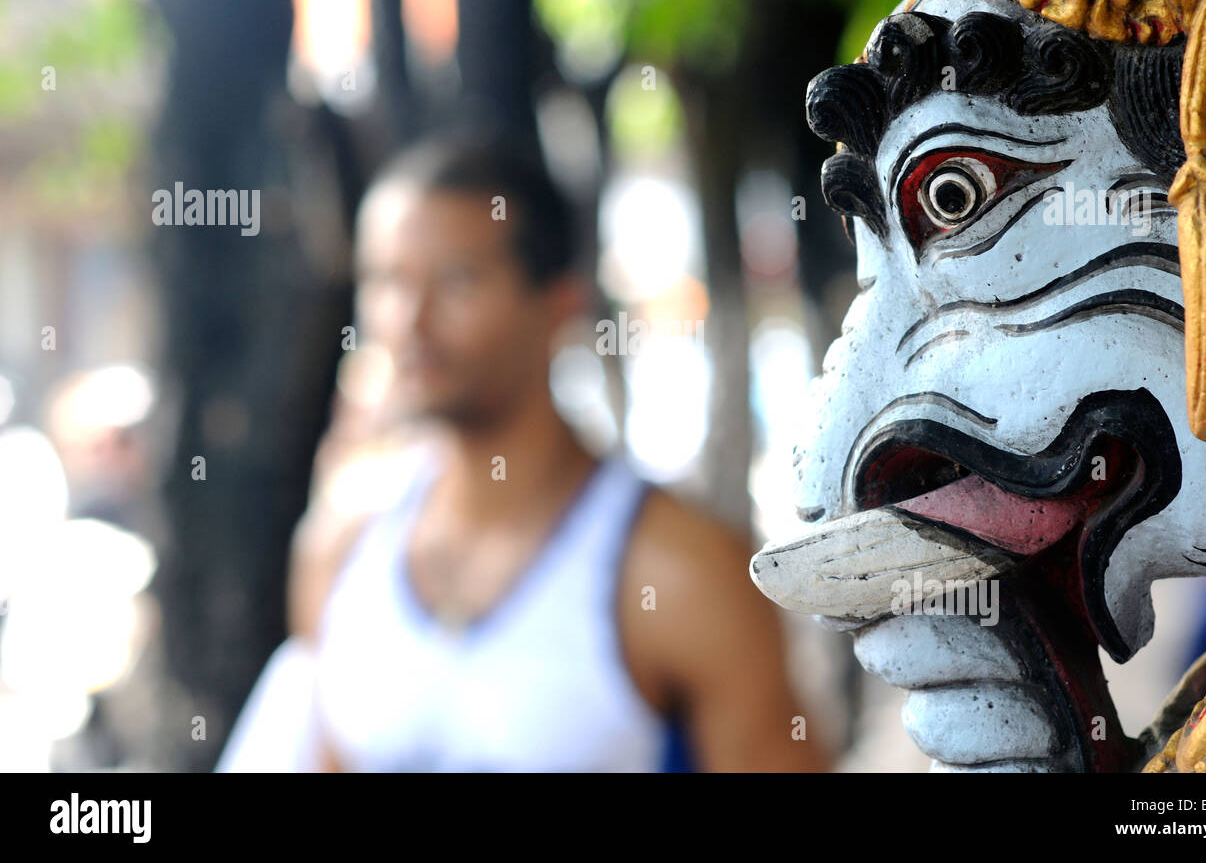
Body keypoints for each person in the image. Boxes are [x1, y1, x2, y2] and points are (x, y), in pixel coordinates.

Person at [217, 132, 829, 772]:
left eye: (457, 281)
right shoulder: (340, 548)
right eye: (388, 281)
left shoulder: (678, 570)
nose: (409, 321)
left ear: (559, 304)